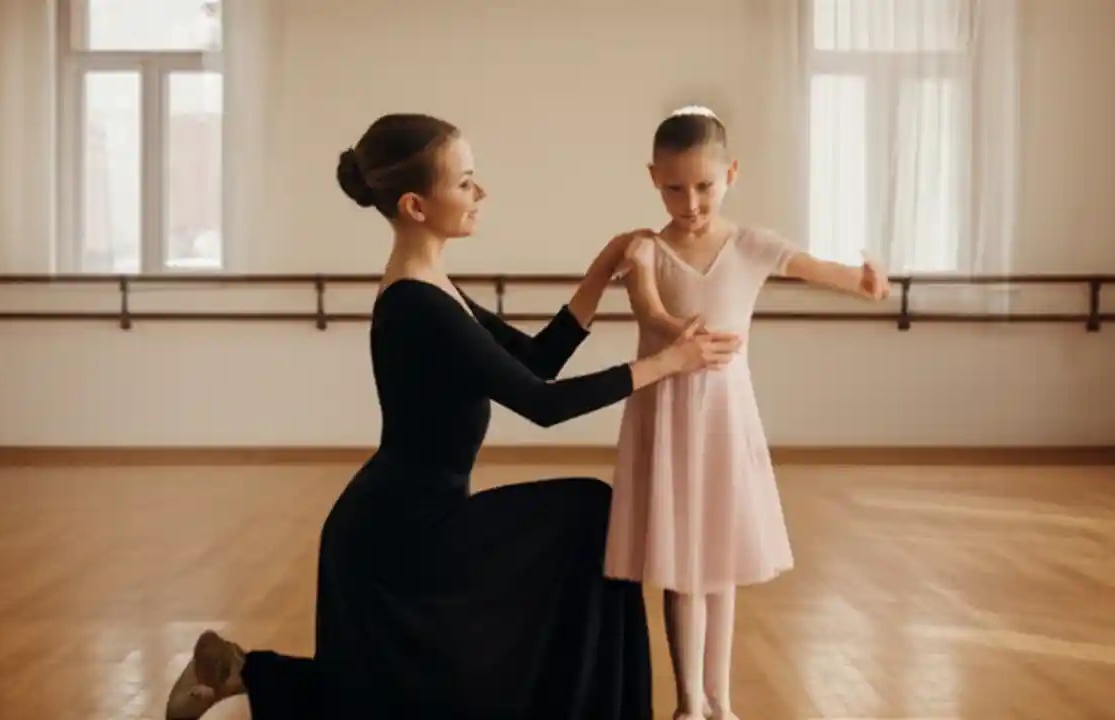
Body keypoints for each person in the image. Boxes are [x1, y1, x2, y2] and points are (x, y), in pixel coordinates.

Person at [164, 112, 745, 720]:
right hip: (399, 536)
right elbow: (543, 406)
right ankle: (243, 673)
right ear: (416, 205)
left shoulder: (436, 286)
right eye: (466, 182)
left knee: (412, 688)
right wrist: (671, 361)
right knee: (587, 518)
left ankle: (237, 671)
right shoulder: (418, 303)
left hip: (417, 517)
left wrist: (599, 276)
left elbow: (537, 360)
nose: (480, 192)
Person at [603, 106, 891, 720]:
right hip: (665, 416)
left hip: (724, 420)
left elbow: (819, 269)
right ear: (653, 177)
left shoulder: (752, 244)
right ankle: (688, 705)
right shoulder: (645, 249)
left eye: (705, 186)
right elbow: (651, 314)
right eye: (675, 187)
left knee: (721, 561)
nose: (691, 202)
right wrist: (679, 332)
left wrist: (863, 281)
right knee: (681, 566)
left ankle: (722, 703)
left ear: (731, 173)